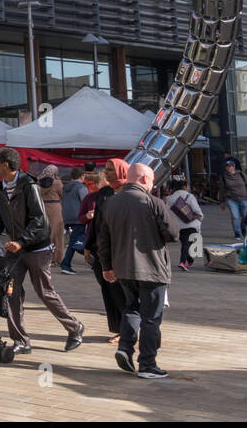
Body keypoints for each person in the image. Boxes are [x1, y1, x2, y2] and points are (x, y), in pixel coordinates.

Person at [0, 147, 84, 354]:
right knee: (11, 293)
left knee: (44, 292)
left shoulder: (29, 185)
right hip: (14, 249)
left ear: (6, 165)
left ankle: (74, 327)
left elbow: (39, 220)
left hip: (37, 248)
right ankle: (20, 340)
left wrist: (21, 241)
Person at [96, 163, 179, 379]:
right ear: (143, 179)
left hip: (123, 269)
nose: (152, 185)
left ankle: (125, 348)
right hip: (151, 268)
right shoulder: (153, 202)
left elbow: (102, 239)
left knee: (131, 309)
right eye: (151, 181)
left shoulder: (110, 203)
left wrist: (107, 266)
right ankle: (148, 365)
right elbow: (173, 233)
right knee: (151, 318)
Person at [82, 158, 130, 344]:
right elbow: (97, 222)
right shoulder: (103, 193)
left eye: (112, 170)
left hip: (120, 250)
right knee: (108, 289)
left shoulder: (129, 192)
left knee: (121, 290)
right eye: (107, 169)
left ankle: (129, 329)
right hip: (101, 249)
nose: (107, 172)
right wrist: (88, 245)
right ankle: (119, 328)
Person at [164, 177, 203, 271]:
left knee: (186, 243)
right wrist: (200, 218)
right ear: (184, 186)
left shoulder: (169, 198)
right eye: (188, 186)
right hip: (191, 224)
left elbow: (168, 212)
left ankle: (190, 260)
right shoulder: (189, 196)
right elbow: (196, 210)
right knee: (188, 244)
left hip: (178, 226)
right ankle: (182, 262)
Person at [60, 167, 88, 274]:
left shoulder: (66, 187)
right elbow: (85, 202)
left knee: (72, 240)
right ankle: (66, 264)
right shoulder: (81, 188)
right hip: (78, 218)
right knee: (74, 242)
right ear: (82, 176)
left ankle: (65, 263)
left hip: (66, 217)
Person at [38, 165, 65, 266]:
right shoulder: (57, 183)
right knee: (57, 234)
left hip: (42, 207)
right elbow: (62, 194)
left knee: (45, 233)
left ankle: (43, 257)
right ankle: (57, 259)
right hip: (55, 208)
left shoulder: (39, 181)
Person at [221, 157, 247, 239]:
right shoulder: (223, 177)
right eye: (226, 166)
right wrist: (222, 201)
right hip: (232, 199)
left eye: (230, 166)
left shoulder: (241, 175)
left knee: (245, 216)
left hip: (244, 198)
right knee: (235, 217)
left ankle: (243, 228)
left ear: (234, 167)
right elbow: (222, 189)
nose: (228, 168)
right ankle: (237, 233)